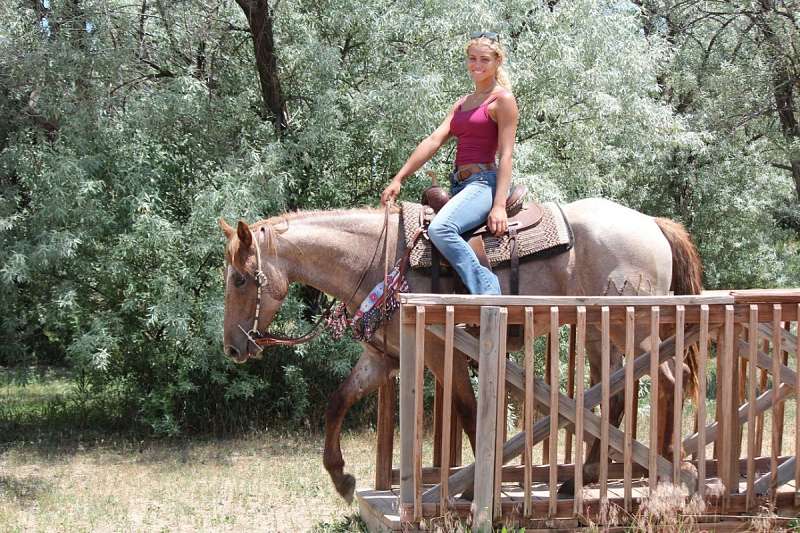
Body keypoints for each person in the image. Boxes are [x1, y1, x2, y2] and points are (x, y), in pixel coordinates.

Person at [380, 31, 519, 295]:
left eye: (484, 59)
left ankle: (489, 291)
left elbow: (507, 155)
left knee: (441, 229)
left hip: (483, 184)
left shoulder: (502, 100)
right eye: (472, 58)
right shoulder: (462, 103)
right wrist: (399, 178)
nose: (477, 65)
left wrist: (499, 205)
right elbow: (434, 140)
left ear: (497, 61)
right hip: (460, 185)